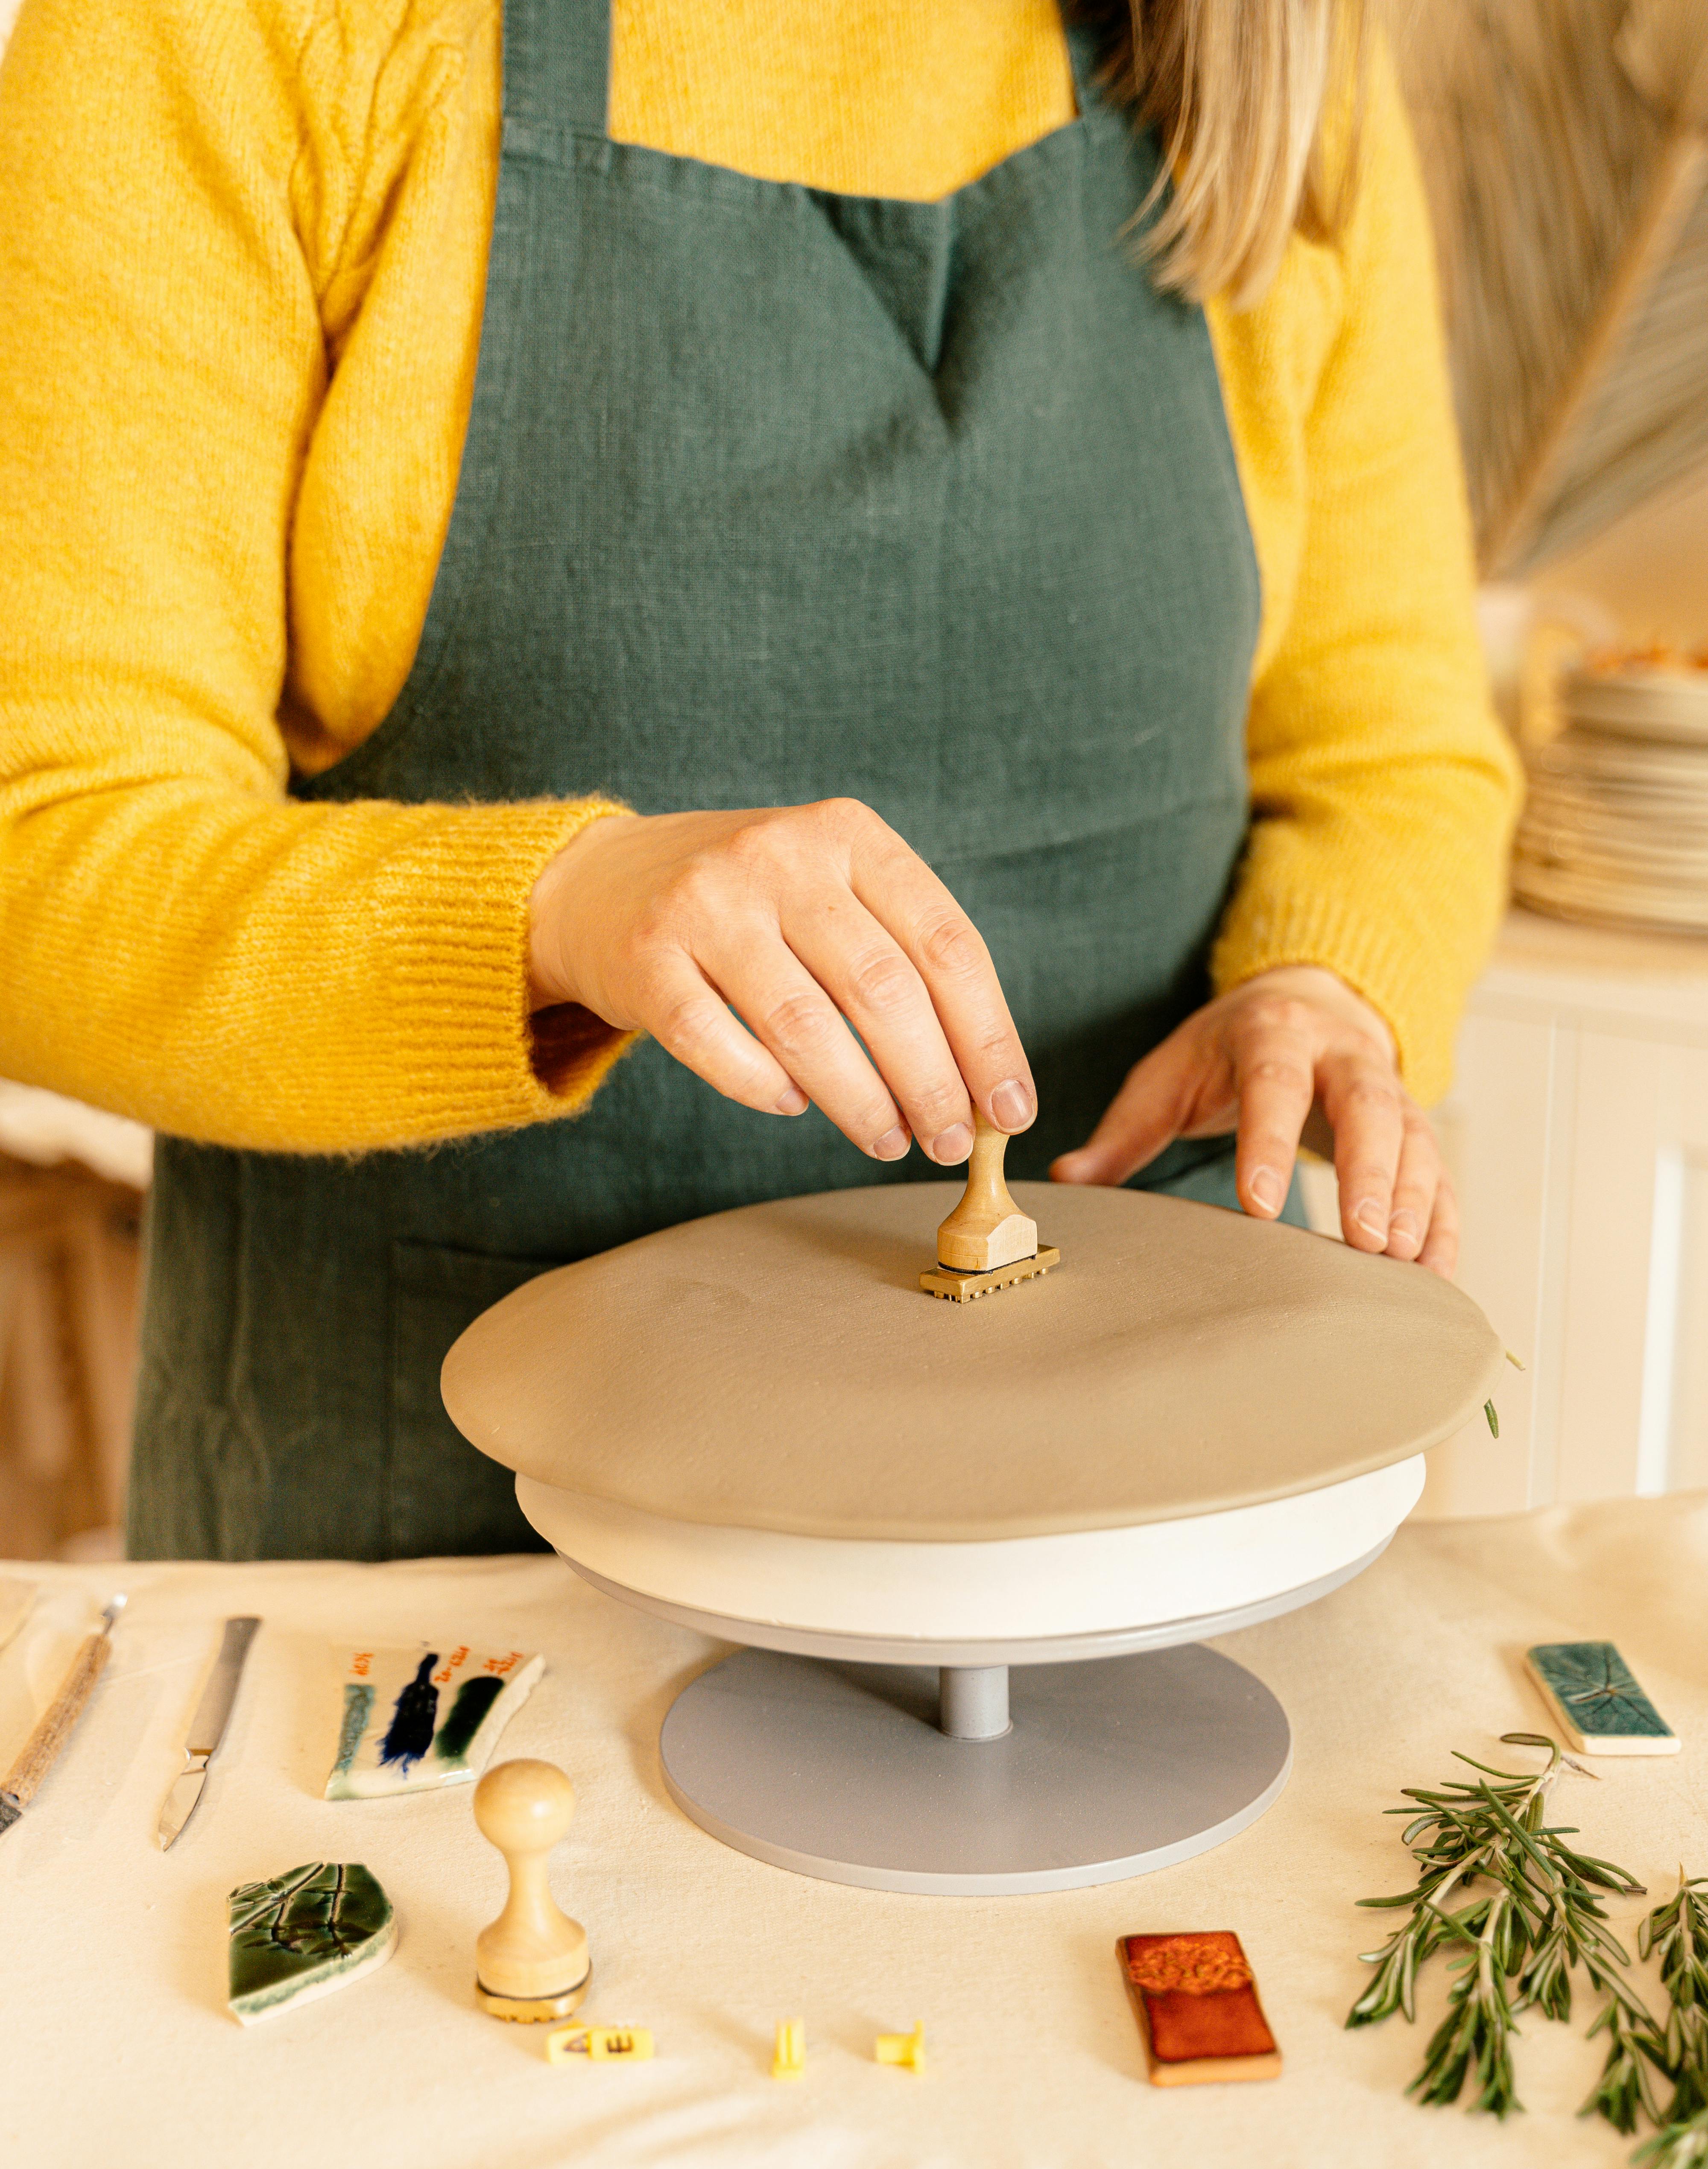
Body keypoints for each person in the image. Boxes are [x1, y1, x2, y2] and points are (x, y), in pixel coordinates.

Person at [0, 0, 1518, 1562]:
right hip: (455, 1540)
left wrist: (1327, 987)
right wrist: (562, 911)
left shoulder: (1268, 54)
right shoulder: (238, 30)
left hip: (1160, 1513)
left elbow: (1390, 749)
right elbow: (43, 842)